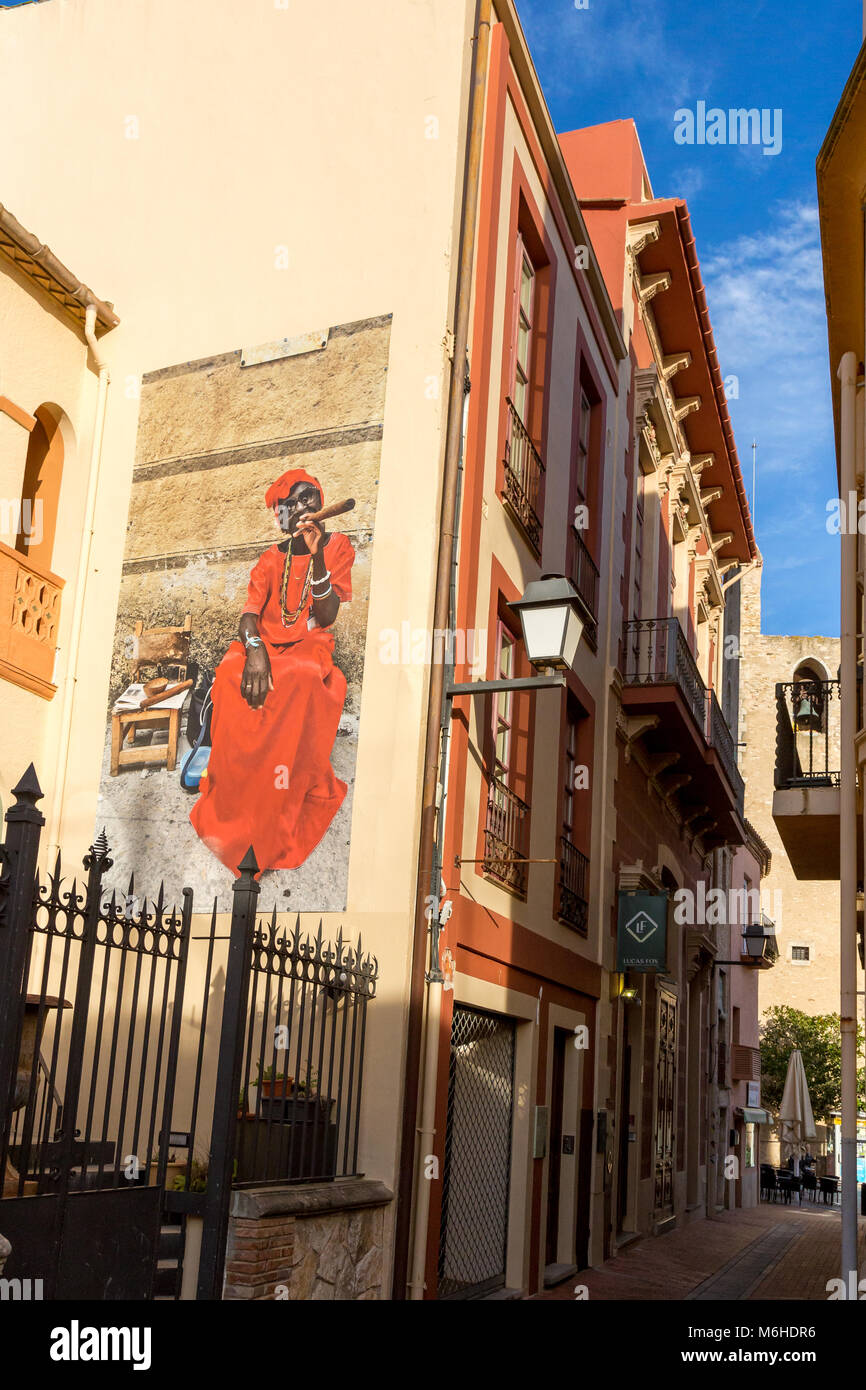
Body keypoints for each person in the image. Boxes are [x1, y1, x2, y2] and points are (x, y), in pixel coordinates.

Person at [190, 467, 354, 874]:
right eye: (291, 504)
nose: (301, 508)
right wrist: (256, 651)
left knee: (297, 678)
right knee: (229, 676)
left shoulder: (337, 547)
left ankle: (279, 795)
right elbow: (248, 617)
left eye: (307, 498)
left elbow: (327, 614)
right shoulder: (269, 558)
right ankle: (236, 791)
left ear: (320, 502)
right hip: (262, 644)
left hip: (308, 648)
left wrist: (316, 556)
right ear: (280, 517)